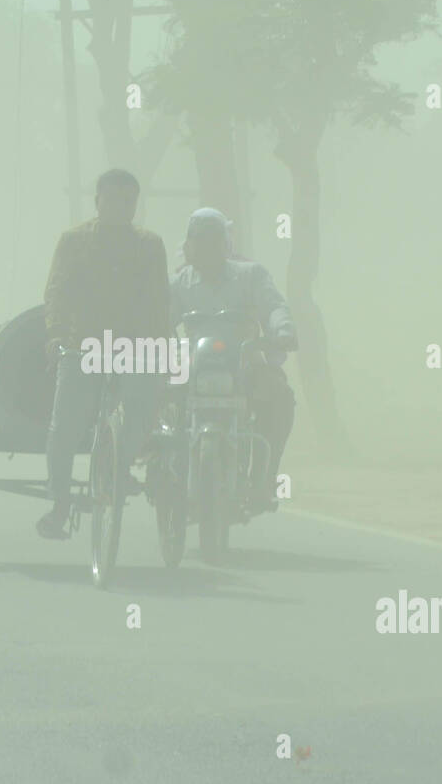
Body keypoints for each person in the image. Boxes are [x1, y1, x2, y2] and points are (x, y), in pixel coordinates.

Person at [36, 169, 170, 539]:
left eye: (128, 202)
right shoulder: (73, 241)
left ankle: (119, 466)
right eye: (112, 200)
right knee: (64, 426)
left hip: (133, 348)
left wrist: (161, 346)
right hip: (82, 346)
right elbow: (57, 291)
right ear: (97, 201)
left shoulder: (150, 246)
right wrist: (57, 335)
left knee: (143, 408)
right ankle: (59, 503)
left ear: (135, 206)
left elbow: (160, 302)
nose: (119, 208)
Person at [169, 207, 297, 509]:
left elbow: (274, 306)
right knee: (160, 402)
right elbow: (160, 319)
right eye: (199, 240)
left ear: (226, 245)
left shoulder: (250, 275)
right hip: (191, 369)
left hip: (245, 365)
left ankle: (264, 478)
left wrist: (282, 331)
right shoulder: (178, 283)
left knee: (279, 398)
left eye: (213, 240)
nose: (206, 247)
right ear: (188, 245)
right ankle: (168, 471)